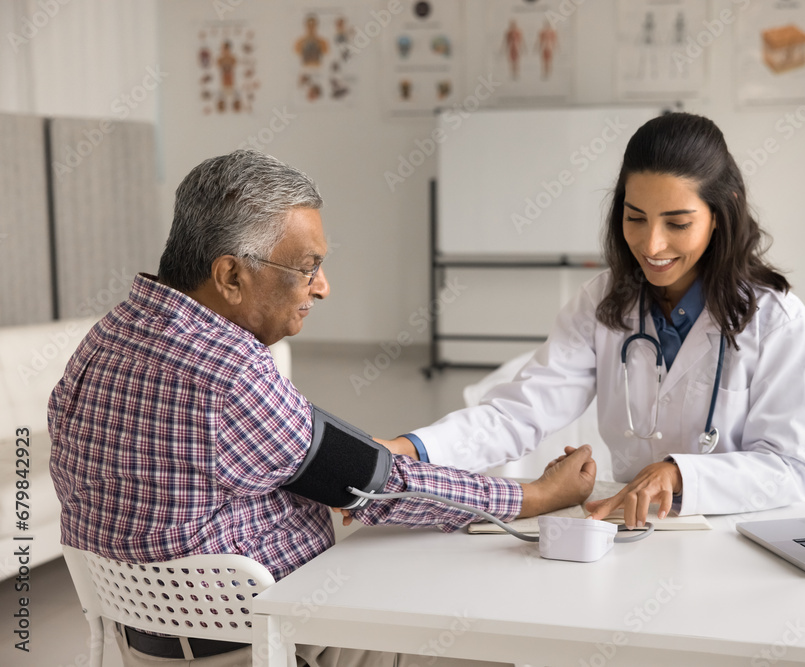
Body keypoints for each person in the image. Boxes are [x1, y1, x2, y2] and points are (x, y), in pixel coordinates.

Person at [48, 150, 596, 667]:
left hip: (139, 640)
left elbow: (310, 455)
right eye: (308, 268)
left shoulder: (107, 336)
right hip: (264, 645)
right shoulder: (228, 371)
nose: (323, 288)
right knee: (501, 641)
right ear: (231, 276)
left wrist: (357, 460)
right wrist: (536, 495)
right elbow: (374, 486)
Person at [383, 112, 805, 529]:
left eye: (677, 224)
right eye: (635, 218)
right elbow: (519, 412)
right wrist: (409, 450)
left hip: (741, 531)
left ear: (720, 214)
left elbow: (788, 468)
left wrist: (678, 475)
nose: (652, 244)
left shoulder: (776, 321)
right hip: (635, 525)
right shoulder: (602, 302)